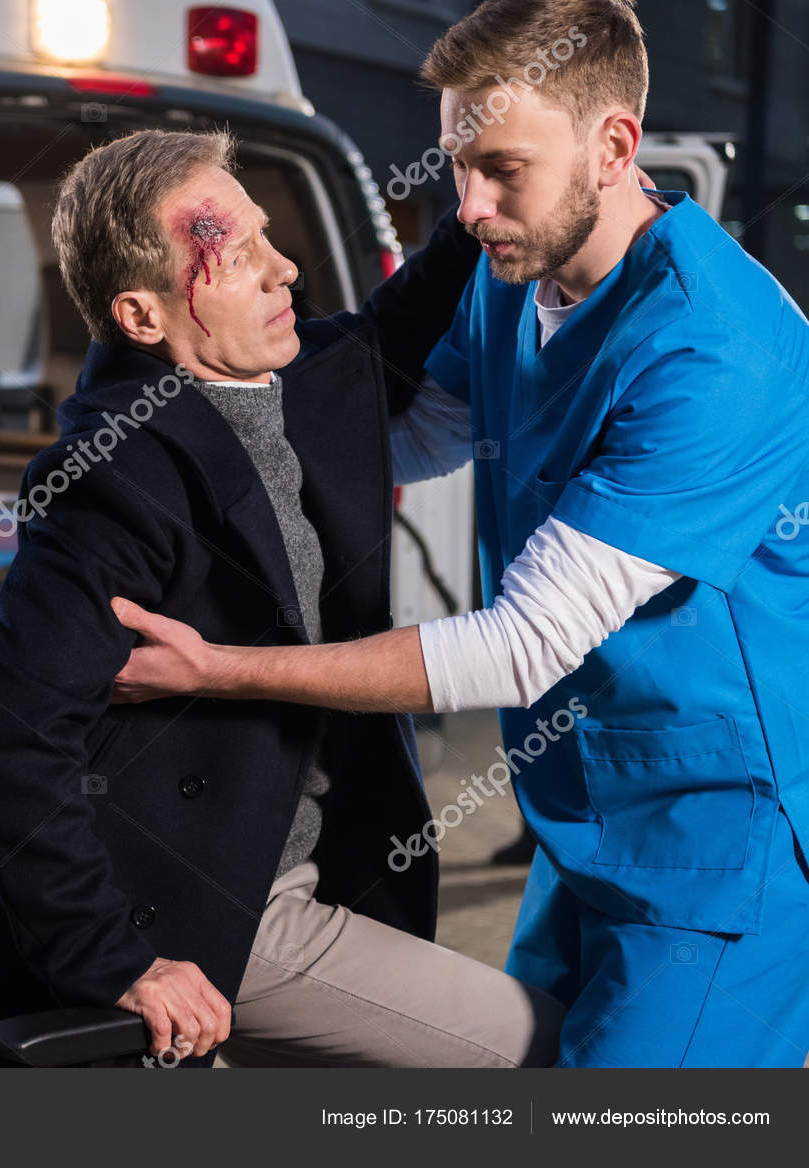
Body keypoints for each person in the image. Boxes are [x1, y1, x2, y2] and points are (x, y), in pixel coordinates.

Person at [109, 0, 809, 1068]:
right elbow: (407, 439)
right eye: (454, 166)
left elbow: (521, 642)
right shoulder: (510, 276)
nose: (469, 209)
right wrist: (172, 452)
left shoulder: (715, 348)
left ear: (614, 146)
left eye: (501, 169)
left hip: (723, 833)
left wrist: (220, 667)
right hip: (588, 807)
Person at [0, 128, 562, 1068]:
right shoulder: (112, 477)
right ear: (143, 317)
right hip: (220, 915)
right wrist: (117, 958)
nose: (285, 270)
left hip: (323, 869)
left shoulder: (283, 380)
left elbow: (398, 320)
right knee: (543, 1047)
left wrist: (482, 186)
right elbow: (7, 735)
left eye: (267, 237)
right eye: (237, 257)